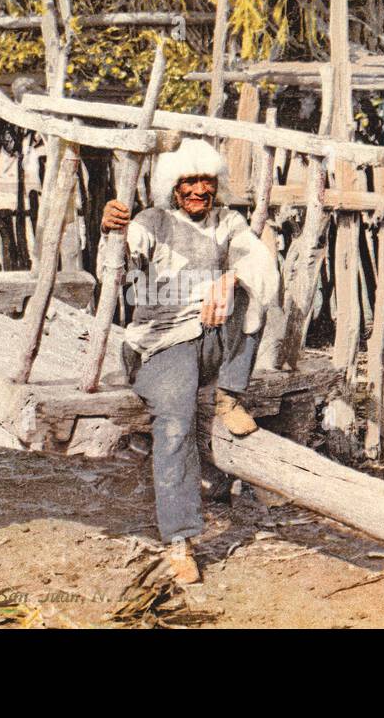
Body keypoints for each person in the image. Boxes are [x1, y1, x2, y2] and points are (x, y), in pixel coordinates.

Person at [100, 138, 280, 584]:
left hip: (210, 341)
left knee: (251, 289)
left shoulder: (227, 222)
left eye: (205, 181)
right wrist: (110, 231)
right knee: (177, 424)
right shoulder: (152, 221)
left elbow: (260, 264)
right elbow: (115, 267)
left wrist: (231, 278)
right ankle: (180, 541)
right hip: (162, 344)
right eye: (188, 181)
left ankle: (228, 395)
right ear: (172, 187)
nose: (198, 190)